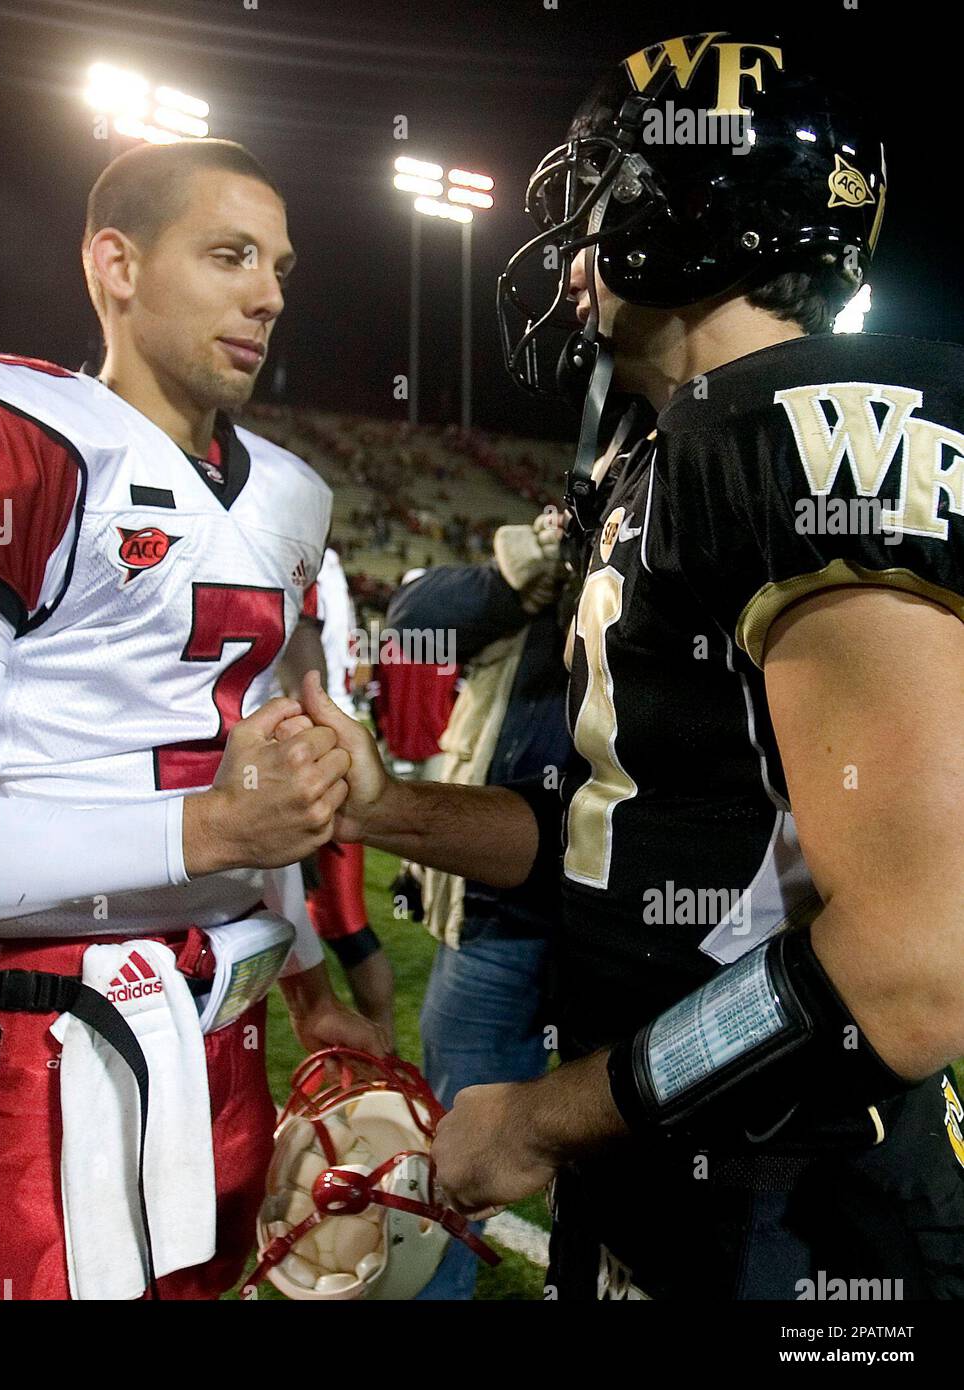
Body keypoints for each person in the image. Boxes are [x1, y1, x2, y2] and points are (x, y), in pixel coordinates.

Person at [285, 27, 964, 1300]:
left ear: (682, 207)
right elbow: (610, 832)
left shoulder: (802, 432)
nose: (571, 246)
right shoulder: (658, 458)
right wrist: (386, 806)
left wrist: (538, 1119)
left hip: (799, 1207)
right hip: (667, 1163)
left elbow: (914, 970)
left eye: (597, 192)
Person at [0, 138, 381, 1300]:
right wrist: (210, 831)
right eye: (229, 254)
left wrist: (314, 991)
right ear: (115, 264)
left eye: (281, 265)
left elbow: (261, 771)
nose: (270, 293)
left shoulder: (292, 492)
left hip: (228, 1032)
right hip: (52, 1044)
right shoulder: (5, 432)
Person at [388, 513, 575, 1300]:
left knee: (643, 1177)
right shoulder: (541, 580)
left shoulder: (678, 570)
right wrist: (527, 565)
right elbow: (412, 622)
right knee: (454, 1160)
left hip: (635, 923)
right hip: (500, 912)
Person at [303, 546, 396, 1046]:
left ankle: (382, 1058)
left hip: (315, 734)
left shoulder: (306, 557)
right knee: (323, 918)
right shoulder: (329, 562)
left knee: (339, 920)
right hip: (329, 729)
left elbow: (301, 652)